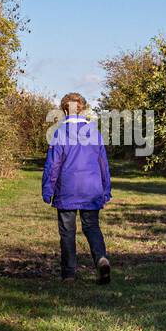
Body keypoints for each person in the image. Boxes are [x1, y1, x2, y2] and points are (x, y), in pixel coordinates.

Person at [42, 93, 111, 283]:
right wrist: (106, 189)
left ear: (65, 110)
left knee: (67, 232)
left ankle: (69, 274)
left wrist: (48, 190)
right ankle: (100, 259)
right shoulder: (94, 132)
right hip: (91, 189)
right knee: (92, 227)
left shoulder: (60, 133)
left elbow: (53, 164)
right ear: (83, 109)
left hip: (67, 189)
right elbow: (103, 163)